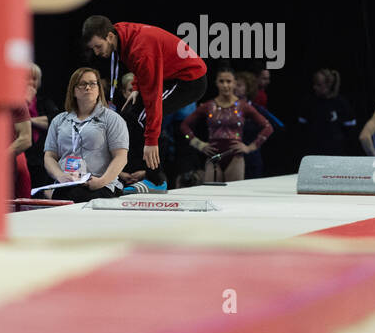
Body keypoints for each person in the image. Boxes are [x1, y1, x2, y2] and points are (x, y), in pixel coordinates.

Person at [82, 15, 208, 194]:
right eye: (92, 48)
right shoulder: (121, 34)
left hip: (189, 80)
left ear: (109, 37)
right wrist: (135, 87)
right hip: (170, 75)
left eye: (98, 46)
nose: (96, 52)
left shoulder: (141, 47)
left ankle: (156, 180)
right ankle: (134, 174)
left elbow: (153, 97)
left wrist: (151, 141)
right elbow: (139, 67)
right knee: (128, 116)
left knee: (145, 118)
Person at [40, 67, 129, 202]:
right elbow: (49, 157)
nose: (88, 88)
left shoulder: (112, 119)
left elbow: (121, 157)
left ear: (99, 89)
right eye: (83, 84)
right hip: (67, 184)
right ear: (73, 90)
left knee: (80, 198)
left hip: (100, 185)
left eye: (93, 84)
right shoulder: (59, 120)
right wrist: (59, 176)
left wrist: (102, 181)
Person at [180, 67, 273, 182]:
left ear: (234, 83)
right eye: (221, 81)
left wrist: (250, 147)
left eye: (228, 81)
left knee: (233, 197)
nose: (225, 85)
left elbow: (268, 127)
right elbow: (184, 126)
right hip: (213, 157)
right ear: (216, 83)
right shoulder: (208, 106)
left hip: (235, 158)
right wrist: (199, 144)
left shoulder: (243, 106)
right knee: (212, 195)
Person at [298, 68, 357, 156]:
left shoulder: (340, 103)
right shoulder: (309, 102)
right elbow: (302, 127)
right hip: (314, 152)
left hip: (336, 151)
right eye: (314, 84)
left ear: (329, 85)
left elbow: (350, 128)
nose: (314, 87)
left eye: (318, 85)